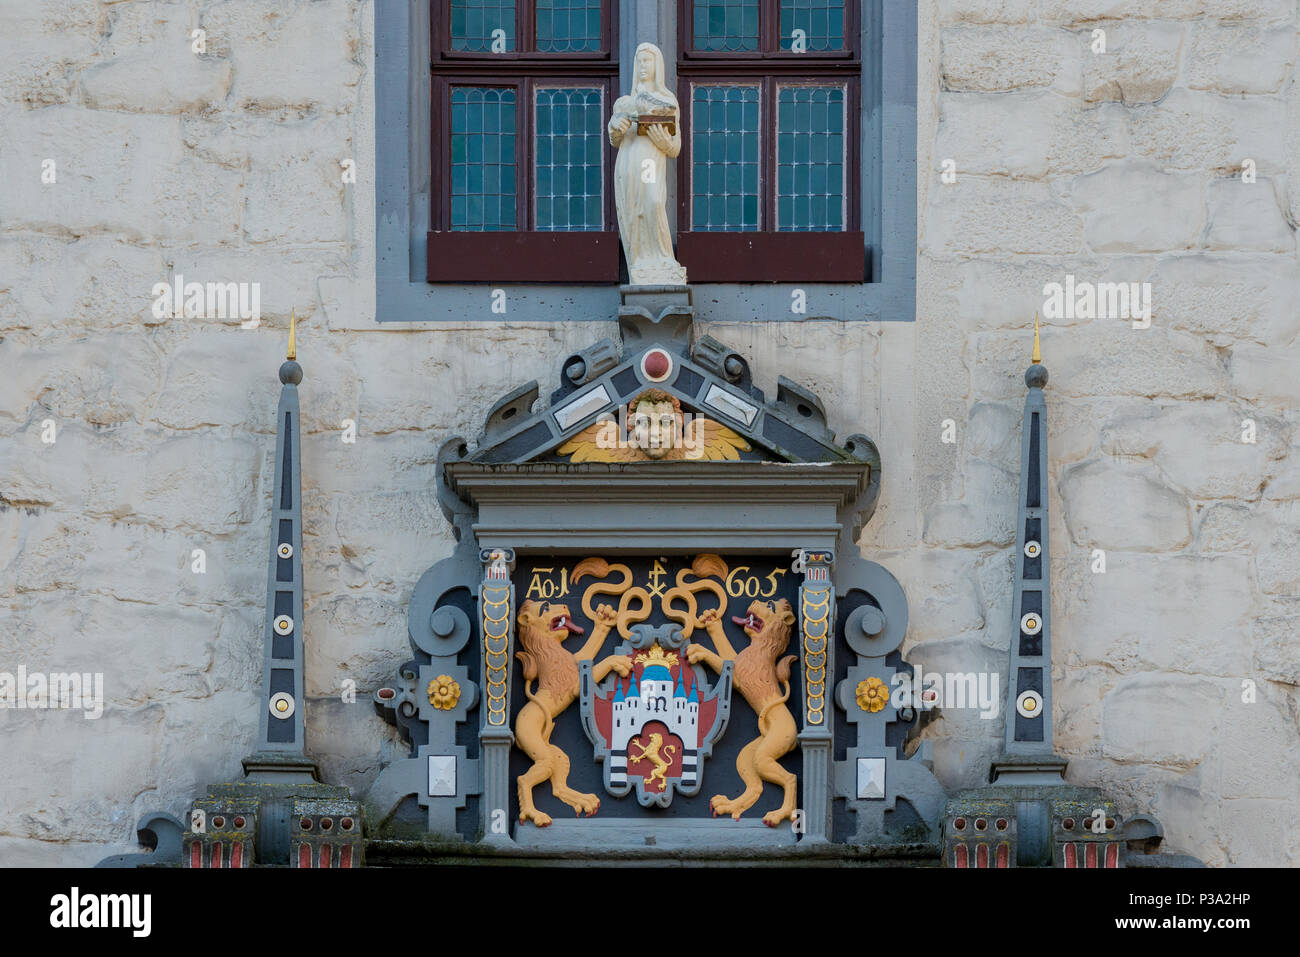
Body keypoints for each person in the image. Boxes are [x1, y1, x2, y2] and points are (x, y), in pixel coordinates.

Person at [608, 43, 687, 285]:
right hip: (629, 164)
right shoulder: (624, 102)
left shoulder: (666, 100)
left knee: (652, 202)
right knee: (635, 214)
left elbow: (674, 147)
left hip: (648, 166)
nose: (643, 67)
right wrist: (617, 126)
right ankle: (641, 264)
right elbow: (614, 137)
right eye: (639, 62)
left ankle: (663, 259)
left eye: (648, 61)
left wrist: (663, 141)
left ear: (657, 66)